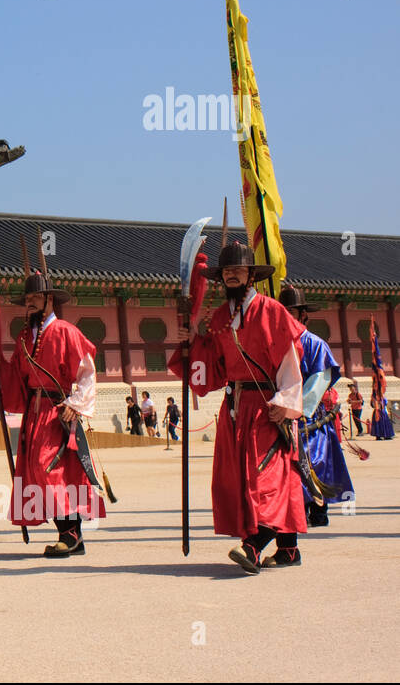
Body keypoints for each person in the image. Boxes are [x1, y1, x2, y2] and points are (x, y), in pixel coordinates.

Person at [169, 242, 304, 575]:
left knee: (266, 477)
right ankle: (287, 549)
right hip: (233, 406)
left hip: (266, 406)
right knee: (243, 479)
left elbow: (290, 360)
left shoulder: (272, 311)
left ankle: (253, 547)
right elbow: (212, 367)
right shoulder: (218, 317)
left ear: (251, 275)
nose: (231, 274)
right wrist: (192, 343)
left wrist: (285, 403)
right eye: (226, 271)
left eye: (238, 270)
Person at [0, 268, 101, 557]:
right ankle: (69, 535)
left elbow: (87, 371)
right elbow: (16, 376)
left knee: (53, 469)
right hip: (34, 414)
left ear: (50, 300)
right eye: (28, 298)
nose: (30, 302)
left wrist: (75, 404)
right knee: (37, 471)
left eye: (36, 297)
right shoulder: (25, 336)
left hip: (58, 410)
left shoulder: (66, 331)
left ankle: (71, 533)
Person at [278, 285, 352, 541]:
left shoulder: (314, 343)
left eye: (292, 312)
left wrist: (297, 409)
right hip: (281, 414)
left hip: (309, 417)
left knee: (313, 463)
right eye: (283, 311)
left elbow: (321, 379)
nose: (288, 316)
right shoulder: (276, 343)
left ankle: (319, 511)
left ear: (302, 315)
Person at [369, 360, 394, 440]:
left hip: (382, 410)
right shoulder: (373, 395)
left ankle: (387, 435)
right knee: (378, 423)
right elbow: (372, 404)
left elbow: (385, 402)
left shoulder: (382, 395)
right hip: (377, 411)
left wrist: (382, 402)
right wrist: (376, 403)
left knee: (385, 422)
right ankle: (378, 435)